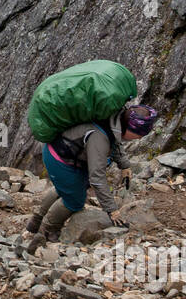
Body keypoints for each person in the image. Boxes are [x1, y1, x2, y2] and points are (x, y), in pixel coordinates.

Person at [23, 104, 159, 255]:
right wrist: (112, 210)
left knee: (68, 188)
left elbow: (115, 142)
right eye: (139, 134)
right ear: (130, 128)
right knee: (74, 201)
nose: (140, 138)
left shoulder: (116, 118)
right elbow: (97, 177)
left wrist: (124, 165)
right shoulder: (99, 138)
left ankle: (34, 223)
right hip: (59, 159)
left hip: (67, 154)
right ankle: (46, 232)